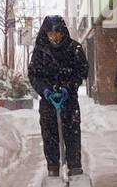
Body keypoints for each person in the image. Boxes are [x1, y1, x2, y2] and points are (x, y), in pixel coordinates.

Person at [28, 15, 89, 176]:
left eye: (58, 33)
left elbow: (82, 71)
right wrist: (46, 91)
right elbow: (34, 75)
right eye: (51, 34)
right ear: (46, 34)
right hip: (49, 103)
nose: (55, 37)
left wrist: (68, 89)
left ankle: (75, 166)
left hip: (69, 101)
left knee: (72, 133)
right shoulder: (40, 52)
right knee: (50, 135)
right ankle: (53, 168)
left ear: (63, 32)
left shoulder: (73, 49)